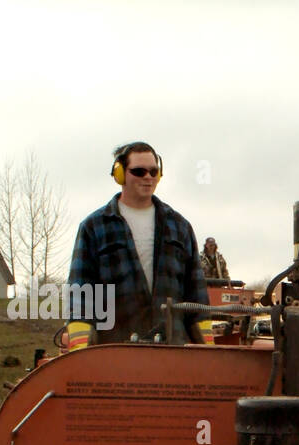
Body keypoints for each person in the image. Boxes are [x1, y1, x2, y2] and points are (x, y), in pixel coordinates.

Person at [67, 141, 207, 344]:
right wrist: (80, 356)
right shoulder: (94, 227)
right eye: (139, 171)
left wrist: (209, 350)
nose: (148, 177)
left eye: (153, 171)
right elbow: (81, 296)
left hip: (173, 354)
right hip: (115, 353)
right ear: (120, 175)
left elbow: (197, 296)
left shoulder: (180, 227)